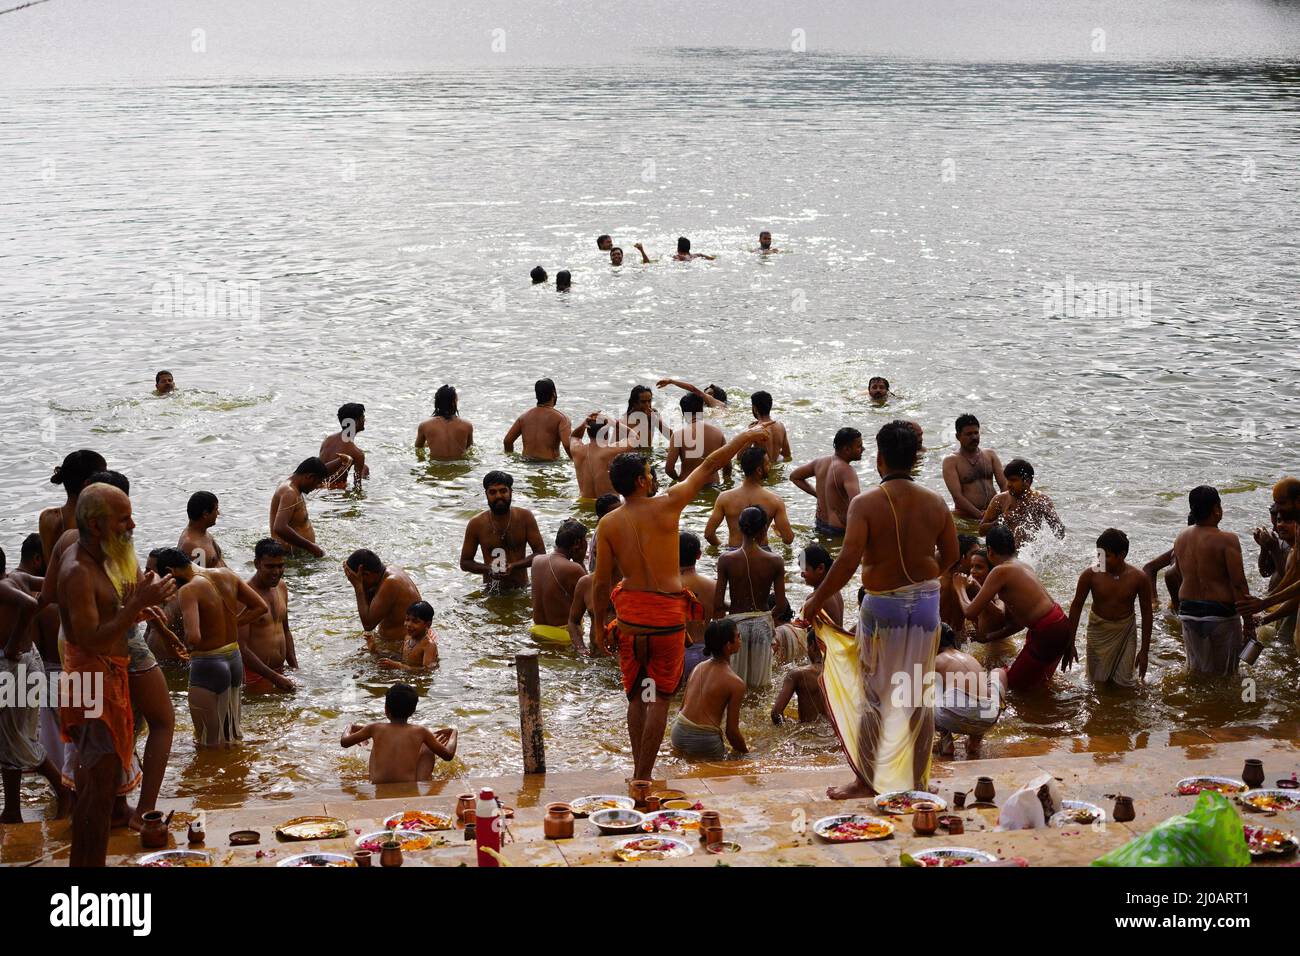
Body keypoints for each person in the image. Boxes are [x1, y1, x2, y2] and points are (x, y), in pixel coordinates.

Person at [592, 424, 771, 781]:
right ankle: (643, 775)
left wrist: (598, 623)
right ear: (641, 482)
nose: (654, 477)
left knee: (637, 696)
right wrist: (747, 437)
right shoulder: (669, 504)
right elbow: (710, 463)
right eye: (649, 473)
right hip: (665, 619)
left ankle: (637, 772)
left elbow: (601, 581)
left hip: (631, 618)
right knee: (658, 698)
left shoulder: (608, 524)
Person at [801, 420, 958, 800]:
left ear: (880, 458)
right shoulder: (935, 502)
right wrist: (921, 582)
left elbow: (847, 561)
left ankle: (866, 781)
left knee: (875, 695)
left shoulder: (866, 503)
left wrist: (816, 599)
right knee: (917, 694)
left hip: (883, 607)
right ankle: (918, 782)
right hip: (925, 606)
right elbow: (952, 556)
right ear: (916, 459)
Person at [54, 483, 175, 865]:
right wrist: (136, 603)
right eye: (123, 519)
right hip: (90, 681)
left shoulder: (99, 557)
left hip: (108, 676)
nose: (132, 525)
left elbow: (108, 619)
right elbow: (89, 639)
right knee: (96, 792)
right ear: (95, 525)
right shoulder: (77, 571)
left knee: (101, 789)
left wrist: (140, 606)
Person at [153, 548, 268, 747]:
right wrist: (231, 624)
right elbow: (260, 607)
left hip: (208, 663)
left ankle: (213, 776)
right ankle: (235, 775)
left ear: (171, 571)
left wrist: (179, 647)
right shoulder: (227, 574)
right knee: (231, 735)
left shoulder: (189, 589)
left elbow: (194, 637)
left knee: (208, 742)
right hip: (234, 658)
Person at [955, 523, 1070, 693]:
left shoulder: (1000, 571)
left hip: (1047, 631)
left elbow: (970, 611)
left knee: (1013, 688)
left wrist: (959, 588)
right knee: (1038, 684)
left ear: (990, 551)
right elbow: (1020, 622)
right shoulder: (1024, 566)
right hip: (1060, 623)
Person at [0, 550, 70, 822]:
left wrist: (13, 642)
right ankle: (13, 810)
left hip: (14, 664)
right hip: (29, 661)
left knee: (15, 737)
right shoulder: (18, 578)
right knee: (9, 736)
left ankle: (64, 790)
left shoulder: (3, 587)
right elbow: (52, 587)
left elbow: (31, 605)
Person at [1168, 486, 1253, 676]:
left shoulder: (1181, 537)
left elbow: (1178, 574)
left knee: (1197, 672)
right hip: (1220, 613)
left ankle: (1198, 705)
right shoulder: (1227, 540)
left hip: (1188, 612)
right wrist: (1249, 623)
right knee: (1227, 675)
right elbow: (1238, 583)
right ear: (1217, 508)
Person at [1063, 529, 1154, 686]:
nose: (1101, 560)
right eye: (1099, 555)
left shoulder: (1139, 578)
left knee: (1125, 683)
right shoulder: (1090, 575)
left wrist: (1144, 651)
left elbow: (1147, 613)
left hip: (1125, 631)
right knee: (1096, 684)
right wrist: (1069, 644)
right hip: (1098, 631)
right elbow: (1076, 607)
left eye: (1107, 556)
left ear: (1122, 555)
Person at [713, 507, 787, 691]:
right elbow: (781, 604)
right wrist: (767, 617)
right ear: (763, 529)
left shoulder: (726, 559)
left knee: (735, 683)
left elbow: (717, 603)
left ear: (740, 528)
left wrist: (734, 609)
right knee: (760, 687)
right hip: (762, 624)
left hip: (735, 627)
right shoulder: (775, 561)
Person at [340, 683, 457, 784]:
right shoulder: (421, 732)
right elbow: (448, 755)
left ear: (386, 709)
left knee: (376, 745)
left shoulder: (375, 728)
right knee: (427, 747)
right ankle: (423, 782)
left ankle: (374, 778)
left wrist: (349, 726)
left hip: (378, 784)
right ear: (413, 711)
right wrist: (454, 733)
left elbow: (344, 742)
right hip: (408, 785)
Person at [669, 619, 746, 759]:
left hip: (678, 731)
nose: (741, 640)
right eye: (738, 636)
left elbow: (681, 708)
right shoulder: (736, 683)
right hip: (704, 741)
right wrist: (746, 753)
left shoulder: (697, 668)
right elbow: (732, 732)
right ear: (728, 645)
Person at [459, 471, 545, 591]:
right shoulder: (476, 524)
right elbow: (465, 562)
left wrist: (514, 566)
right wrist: (488, 569)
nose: (498, 496)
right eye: (493, 492)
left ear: (511, 492)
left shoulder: (525, 517)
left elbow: (540, 553)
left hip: (521, 589)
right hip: (491, 592)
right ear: (486, 494)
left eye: (503, 491)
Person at [933, 624, 1004, 758]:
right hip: (987, 719)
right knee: (998, 673)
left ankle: (946, 742)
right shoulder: (970, 658)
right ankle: (974, 742)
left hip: (953, 715)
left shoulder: (936, 660)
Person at [705, 444, 795, 548]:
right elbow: (788, 539)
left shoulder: (724, 498)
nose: (769, 466)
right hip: (763, 553)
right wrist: (780, 534)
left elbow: (708, 534)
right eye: (767, 464)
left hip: (734, 552)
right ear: (759, 470)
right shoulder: (775, 500)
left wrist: (724, 547)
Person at [239, 539, 297, 692]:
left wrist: (294, 668)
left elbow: (286, 630)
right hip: (254, 674)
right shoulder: (244, 596)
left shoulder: (282, 586)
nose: (276, 572)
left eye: (280, 566)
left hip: (280, 672)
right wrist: (274, 677)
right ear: (257, 564)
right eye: (270, 566)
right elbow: (241, 648)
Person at [789, 427, 863, 538]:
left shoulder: (819, 462)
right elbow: (858, 504)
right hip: (839, 529)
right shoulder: (847, 471)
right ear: (847, 449)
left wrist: (818, 495)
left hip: (820, 523)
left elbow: (795, 477)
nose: (863, 449)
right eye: (859, 446)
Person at [343, 549, 423, 646]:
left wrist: (358, 587)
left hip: (403, 646)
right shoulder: (388, 572)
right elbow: (370, 607)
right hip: (396, 642)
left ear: (366, 574)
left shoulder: (391, 582)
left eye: (354, 579)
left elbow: (368, 625)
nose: (353, 581)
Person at [39, 449, 107, 561]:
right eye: (104, 478)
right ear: (88, 484)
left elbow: (50, 565)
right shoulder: (96, 522)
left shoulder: (48, 517)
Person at [979, 458, 1065, 545]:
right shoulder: (1000, 500)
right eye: (1007, 480)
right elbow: (981, 531)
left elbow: (1060, 532)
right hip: (1006, 553)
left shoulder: (1041, 501)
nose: (1008, 485)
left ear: (1027, 481)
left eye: (1013, 480)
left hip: (1029, 554)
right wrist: (1000, 521)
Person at [529, 519, 588, 644]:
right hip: (563, 636)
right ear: (578, 543)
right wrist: (581, 561)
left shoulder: (537, 560)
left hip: (536, 631)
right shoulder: (573, 568)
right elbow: (593, 598)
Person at [941, 415, 1006, 522]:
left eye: (976, 433)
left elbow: (1004, 485)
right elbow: (957, 496)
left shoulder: (990, 455)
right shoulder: (951, 461)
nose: (974, 437)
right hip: (967, 518)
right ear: (958, 436)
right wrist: (981, 516)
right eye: (969, 434)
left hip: (992, 514)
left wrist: (1001, 509)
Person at [666, 392, 731, 486]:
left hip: (688, 486)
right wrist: (726, 484)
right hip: (713, 485)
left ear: (683, 413)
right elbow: (728, 466)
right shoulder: (718, 433)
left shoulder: (678, 435)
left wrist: (678, 480)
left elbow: (669, 469)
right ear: (701, 409)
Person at [269, 457, 329, 557]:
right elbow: (280, 528)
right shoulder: (289, 492)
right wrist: (311, 547)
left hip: (299, 556)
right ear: (310, 477)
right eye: (317, 482)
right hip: (289, 558)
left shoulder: (294, 488)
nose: (316, 487)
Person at [679, 532, 717, 682]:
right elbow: (720, 612)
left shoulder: (669, 587)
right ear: (699, 555)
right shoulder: (713, 586)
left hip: (679, 654)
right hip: (708, 654)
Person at [504, 378, 571, 461]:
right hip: (549, 465)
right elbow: (568, 445)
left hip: (527, 463)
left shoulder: (523, 417)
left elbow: (507, 441)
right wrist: (577, 462)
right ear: (554, 393)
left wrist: (510, 457)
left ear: (536, 396)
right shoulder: (561, 418)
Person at [770, 629, 827, 724]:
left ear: (812, 646)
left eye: (807, 646)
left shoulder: (798, 674)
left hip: (808, 736)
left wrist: (787, 732)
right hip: (835, 736)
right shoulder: (841, 674)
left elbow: (776, 713)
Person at [568, 414, 630, 499]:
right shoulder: (612, 450)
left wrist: (583, 424)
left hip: (584, 503)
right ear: (606, 434)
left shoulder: (577, 450)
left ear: (588, 433)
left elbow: (574, 436)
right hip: (609, 505)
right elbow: (635, 438)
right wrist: (614, 423)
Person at [416, 385, 474, 461]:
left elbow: (418, 447)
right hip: (458, 469)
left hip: (435, 469)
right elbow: (469, 448)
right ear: (454, 402)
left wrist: (430, 443)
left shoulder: (424, 426)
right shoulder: (467, 425)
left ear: (437, 402)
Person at [377, 602, 440, 671]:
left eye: (415, 621)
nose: (409, 624)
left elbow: (427, 670)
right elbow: (399, 656)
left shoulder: (429, 645)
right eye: (407, 619)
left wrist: (399, 666)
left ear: (428, 624)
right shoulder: (407, 637)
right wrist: (375, 650)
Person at [319, 402, 366, 487]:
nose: (364, 420)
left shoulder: (327, 440)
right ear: (356, 422)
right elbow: (357, 486)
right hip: (335, 491)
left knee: (365, 469)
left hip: (317, 485)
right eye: (363, 417)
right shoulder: (357, 453)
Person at [940, 534, 979, 634]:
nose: (978, 557)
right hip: (953, 641)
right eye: (974, 554)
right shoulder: (970, 583)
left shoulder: (938, 582)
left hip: (943, 640)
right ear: (962, 557)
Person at [178, 491, 224, 568]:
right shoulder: (192, 546)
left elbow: (220, 561)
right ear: (205, 514)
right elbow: (199, 578)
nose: (218, 513)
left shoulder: (204, 533)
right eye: (216, 509)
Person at [748, 390, 792, 462]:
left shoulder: (754, 429)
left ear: (755, 409)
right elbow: (787, 455)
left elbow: (740, 457)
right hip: (777, 469)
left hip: (762, 470)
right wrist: (776, 451)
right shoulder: (781, 426)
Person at [587, 492, 622, 571]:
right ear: (602, 517)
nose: (620, 516)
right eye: (614, 514)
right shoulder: (603, 534)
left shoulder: (607, 527)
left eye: (621, 511)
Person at [656, 377, 727, 409]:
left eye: (707, 393)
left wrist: (671, 381)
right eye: (704, 392)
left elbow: (693, 389)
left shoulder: (714, 402)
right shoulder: (717, 406)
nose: (702, 394)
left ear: (713, 396)